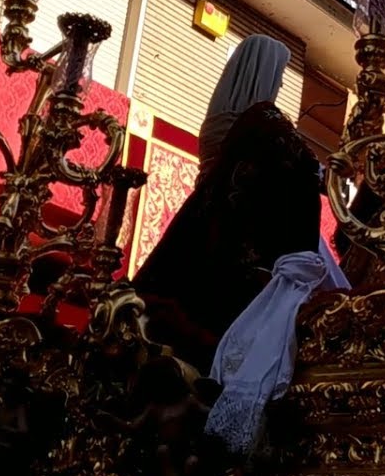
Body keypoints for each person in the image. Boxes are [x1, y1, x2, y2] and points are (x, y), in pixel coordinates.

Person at [133, 35, 348, 374]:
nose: (277, 86)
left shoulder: (218, 120)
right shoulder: (261, 124)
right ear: (262, 76)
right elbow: (298, 168)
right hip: (244, 232)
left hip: (202, 222)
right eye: (277, 77)